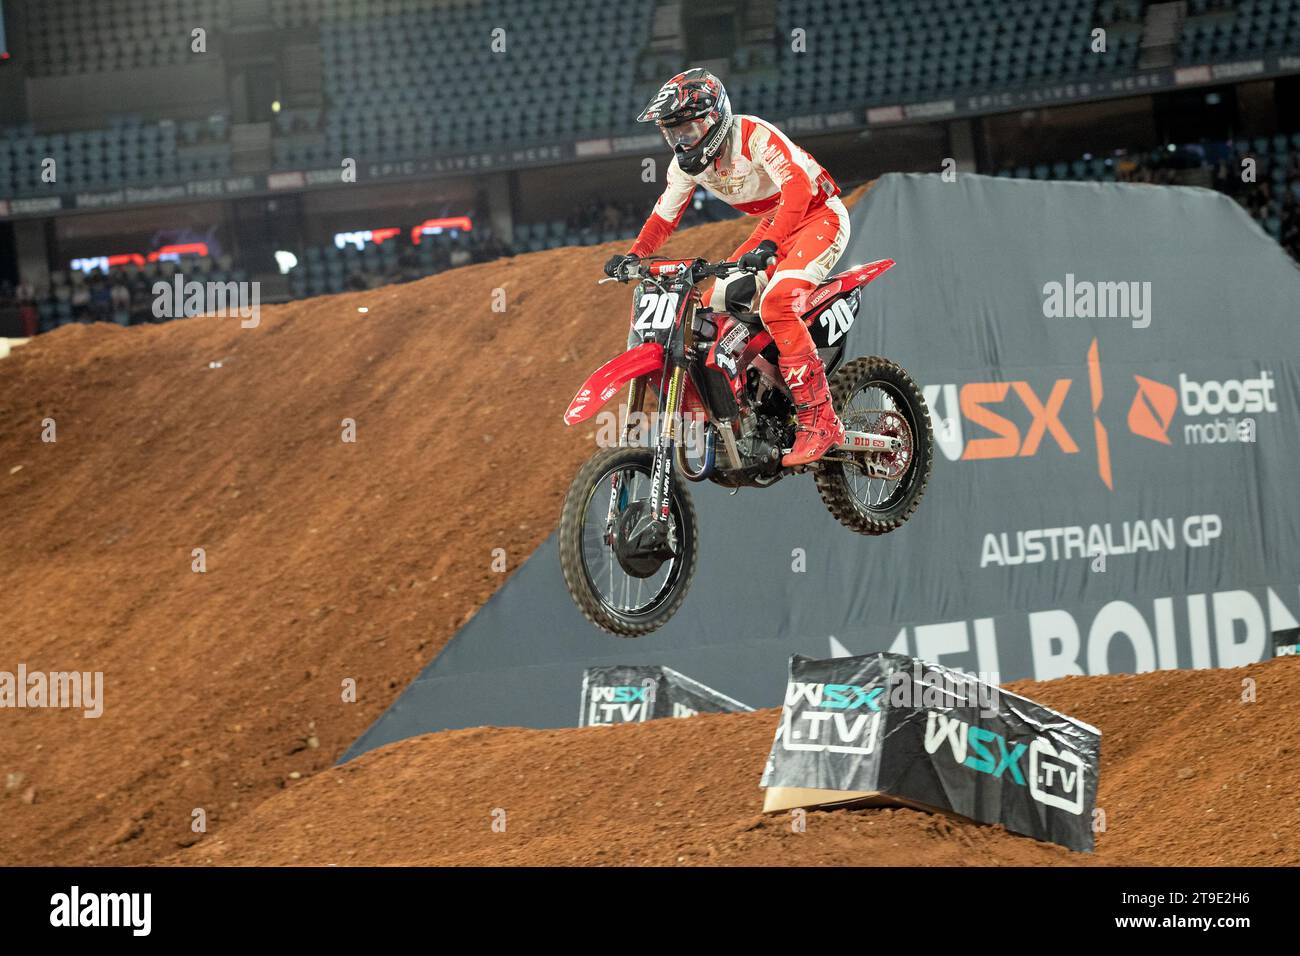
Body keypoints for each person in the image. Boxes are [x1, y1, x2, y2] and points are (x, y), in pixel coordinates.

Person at [605, 68, 849, 466]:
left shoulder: (754, 136)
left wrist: (771, 243)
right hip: (776, 223)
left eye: (686, 129)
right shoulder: (686, 165)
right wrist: (635, 256)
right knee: (715, 303)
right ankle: (751, 405)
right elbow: (665, 216)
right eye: (672, 133)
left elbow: (799, 189)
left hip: (818, 216)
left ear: (714, 118)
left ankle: (820, 417)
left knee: (778, 304)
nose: (679, 141)